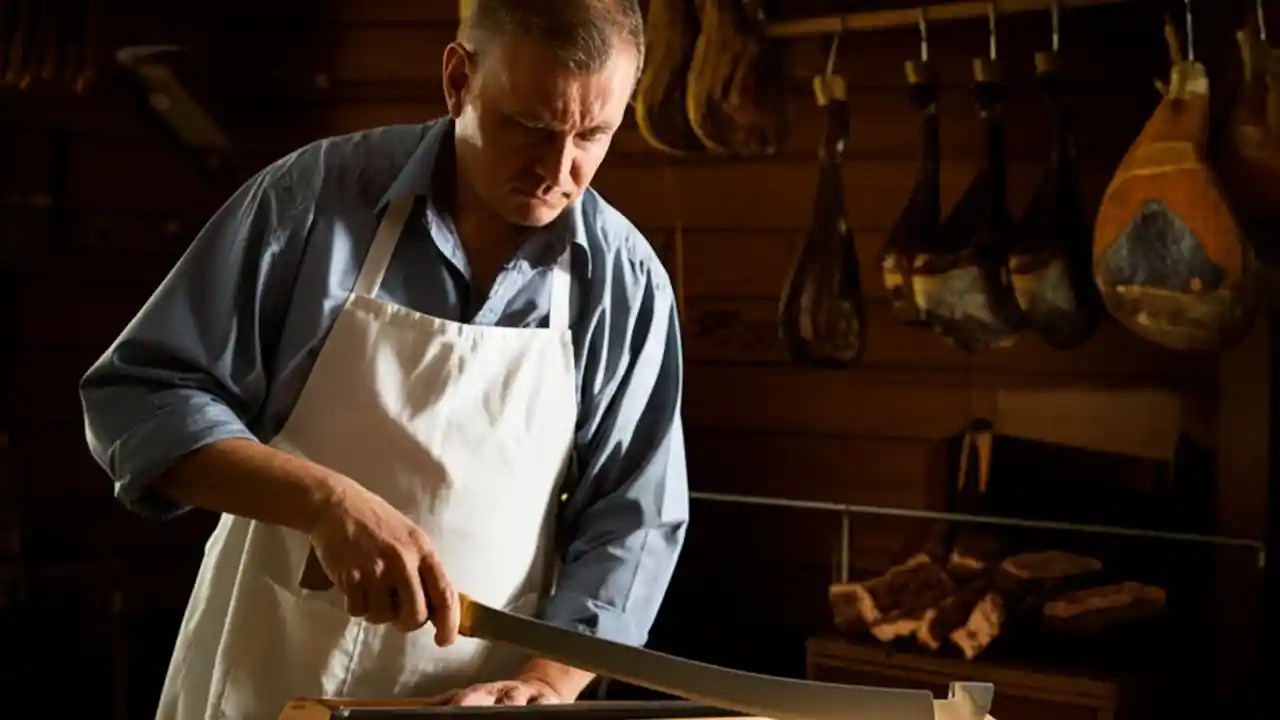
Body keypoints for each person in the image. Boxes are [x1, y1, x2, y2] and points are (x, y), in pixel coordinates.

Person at [78, 1, 689, 718]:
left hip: (476, 698)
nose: (558, 169)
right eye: (529, 125)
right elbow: (138, 395)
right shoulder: (310, 202)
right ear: (459, 79)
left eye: (593, 134)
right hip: (269, 677)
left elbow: (633, 520)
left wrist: (548, 682)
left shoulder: (625, 283)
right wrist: (324, 503)